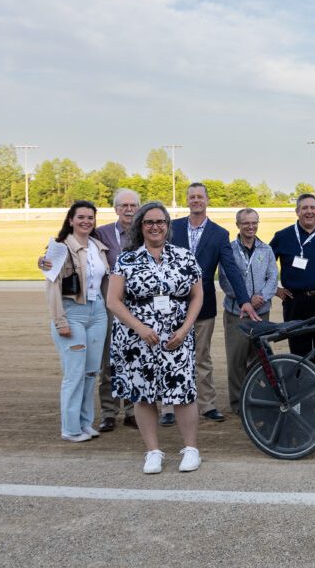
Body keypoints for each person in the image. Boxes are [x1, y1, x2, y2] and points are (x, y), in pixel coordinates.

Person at [107, 202, 204, 473]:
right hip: (137, 339)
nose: (155, 227)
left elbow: (198, 296)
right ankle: (153, 452)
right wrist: (140, 328)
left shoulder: (184, 257)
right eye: (149, 222)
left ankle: (191, 449)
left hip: (177, 337)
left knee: (183, 392)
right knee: (143, 394)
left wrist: (184, 330)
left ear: (167, 225)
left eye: (160, 221)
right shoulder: (126, 259)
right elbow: (113, 300)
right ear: (140, 226)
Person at [39, 188, 141, 431]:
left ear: (139, 208)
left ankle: (132, 411)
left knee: (132, 359)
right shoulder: (102, 233)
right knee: (105, 362)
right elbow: (58, 256)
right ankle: (108, 412)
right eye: (124, 205)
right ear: (115, 209)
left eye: (133, 205)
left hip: (138, 306)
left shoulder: (145, 231)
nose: (128, 209)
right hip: (104, 306)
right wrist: (44, 260)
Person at [160, 182, 258, 426]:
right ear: (187, 200)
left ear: (207, 200)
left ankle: (207, 404)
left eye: (199, 196)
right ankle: (168, 406)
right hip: (171, 306)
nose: (196, 200)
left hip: (203, 306)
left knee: (201, 356)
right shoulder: (172, 228)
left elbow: (231, 269)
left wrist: (244, 300)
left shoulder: (219, 233)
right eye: (192, 196)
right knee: (170, 353)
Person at [46, 200, 110, 442]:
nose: (86, 221)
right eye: (81, 217)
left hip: (98, 313)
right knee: (74, 373)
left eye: (90, 217)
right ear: (71, 220)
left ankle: (85, 423)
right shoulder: (59, 248)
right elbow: (52, 287)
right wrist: (59, 320)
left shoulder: (97, 246)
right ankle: (70, 428)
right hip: (72, 312)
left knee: (90, 372)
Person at [270, 193, 315, 380]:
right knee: (298, 350)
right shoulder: (283, 236)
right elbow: (265, 263)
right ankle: (302, 390)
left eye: (312, 208)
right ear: (297, 211)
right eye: (304, 208)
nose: (309, 212)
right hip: (295, 301)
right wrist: (275, 289)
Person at [218, 208, 278, 415]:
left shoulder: (266, 250)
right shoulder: (229, 249)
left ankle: (259, 398)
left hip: (261, 312)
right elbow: (225, 279)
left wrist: (262, 297)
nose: (250, 227)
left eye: (254, 223)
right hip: (237, 313)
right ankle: (238, 403)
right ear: (238, 225)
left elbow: (273, 277)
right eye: (246, 223)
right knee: (237, 359)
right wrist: (245, 299)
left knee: (260, 357)